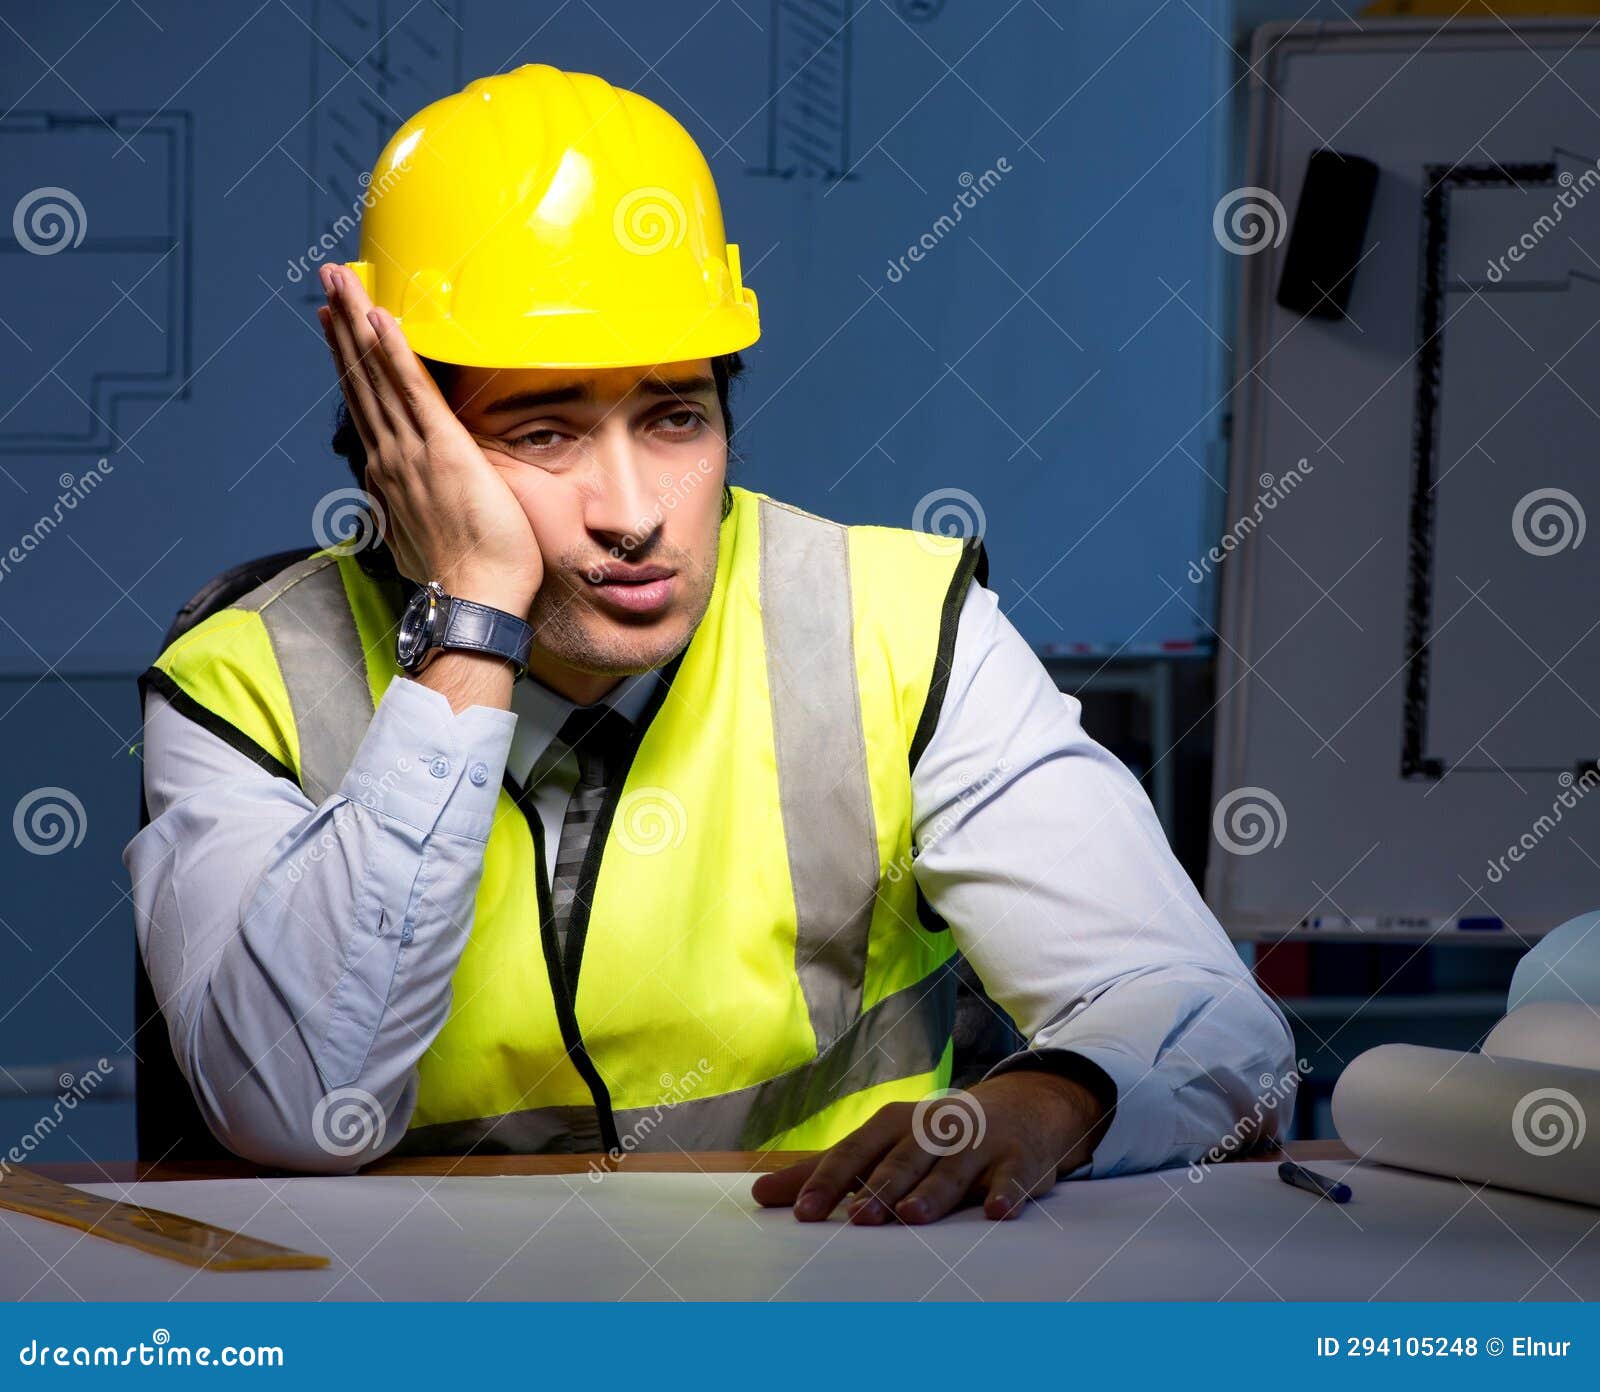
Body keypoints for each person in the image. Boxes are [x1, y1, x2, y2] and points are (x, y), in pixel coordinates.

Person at [124, 63, 1294, 1226]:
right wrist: (471, 621)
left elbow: (1217, 1029)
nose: (633, 509)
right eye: (543, 430)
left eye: (675, 414)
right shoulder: (244, 680)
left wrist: (1049, 1102)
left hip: (828, 1308)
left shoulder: (892, 623)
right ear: (396, 438)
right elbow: (291, 1108)